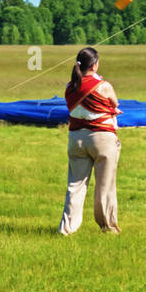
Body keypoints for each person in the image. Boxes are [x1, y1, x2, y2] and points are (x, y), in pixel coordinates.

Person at [58, 46, 121, 235]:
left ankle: (67, 229)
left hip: (76, 140)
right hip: (102, 140)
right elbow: (115, 104)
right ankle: (108, 227)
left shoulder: (70, 87)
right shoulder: (104, 85)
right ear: (94, 65)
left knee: (75, 187)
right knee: (105, 186)